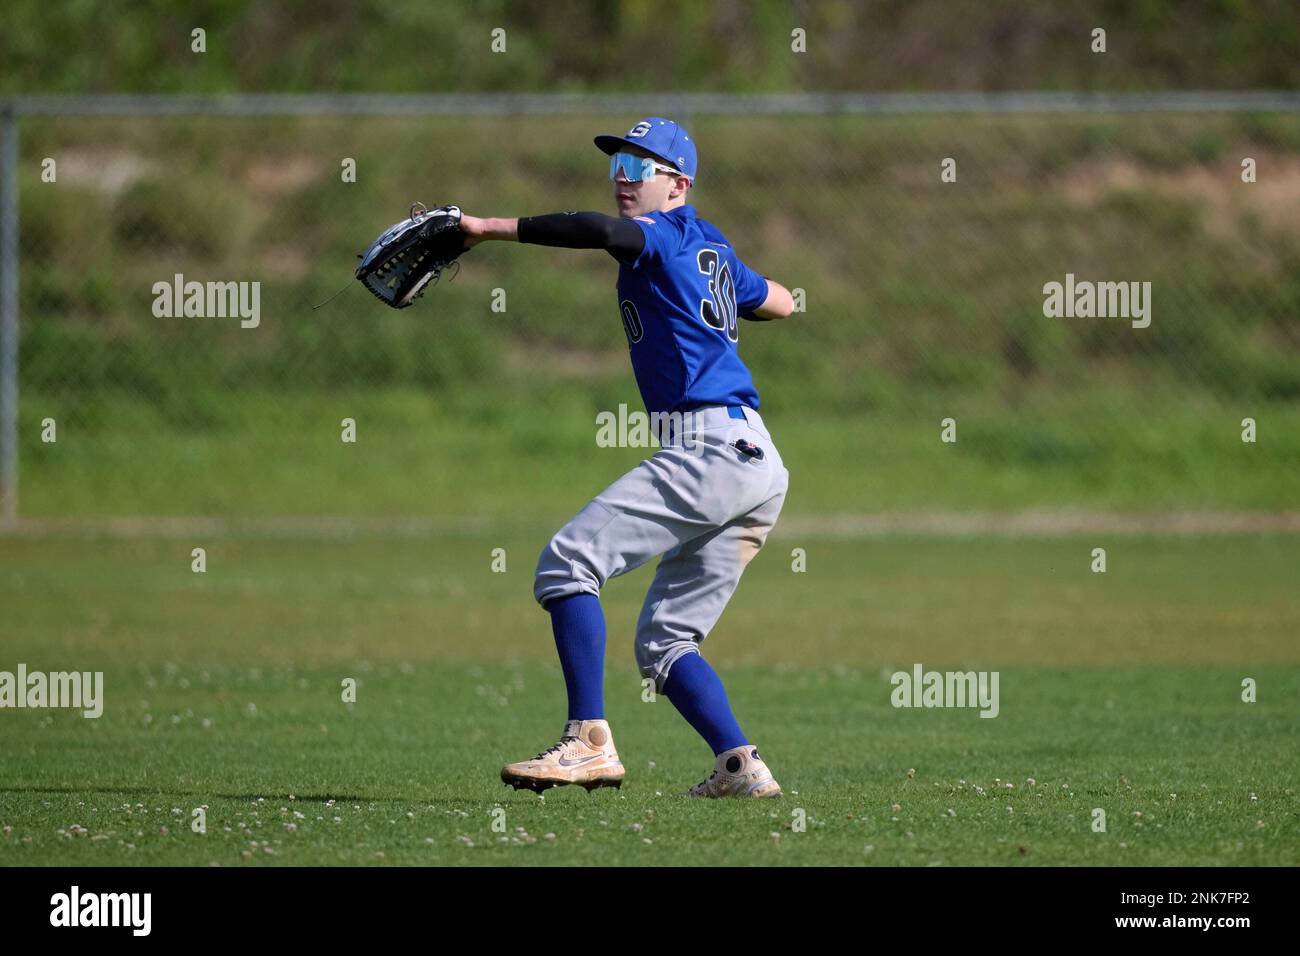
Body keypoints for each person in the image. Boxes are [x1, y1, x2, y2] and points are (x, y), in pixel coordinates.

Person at [458, 117, 795, 798]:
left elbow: (604, 233)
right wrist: (729, 299)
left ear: (678, 184)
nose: (622, 175)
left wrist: (486, 227)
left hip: (710, 450)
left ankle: (587, 739)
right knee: (666, 644)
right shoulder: (711, 246)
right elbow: (784, 302)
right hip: (757, 462)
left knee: (567, 562)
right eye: (618, 162)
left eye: (640, 165)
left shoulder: (658, 235)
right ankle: (740, 764)